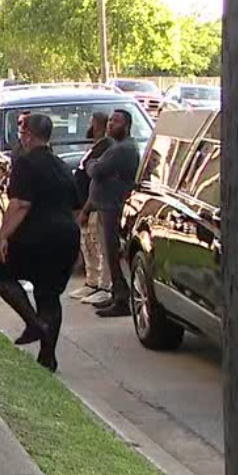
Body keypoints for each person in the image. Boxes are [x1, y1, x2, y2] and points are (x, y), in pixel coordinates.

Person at [0, 112, 83, 371]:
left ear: (28, 135)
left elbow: (20, 204)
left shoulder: (25, 163)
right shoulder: (61, 165)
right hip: (66, 236)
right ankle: (48, 357)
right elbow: (76, 209)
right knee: (49, 295)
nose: (21, 137)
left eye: (21, 132)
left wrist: (3, 237)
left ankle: (34, 323)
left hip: (37, 235)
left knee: (0, 272)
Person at [87, 108, 142, 318]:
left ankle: (122, 299)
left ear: (127, 125)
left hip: (113, 207)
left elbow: (96, 170)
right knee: (109, 254)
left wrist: (92, 164)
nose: (111, 124)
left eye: (116, 121)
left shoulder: (123, 149)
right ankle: (116, 293)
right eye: (110, 121)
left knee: (113, 253)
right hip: (105, 205)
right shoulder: (116, 146)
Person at [69, 112, 114, 304]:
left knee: (97, 245)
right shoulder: (94, 146)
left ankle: (105, 285)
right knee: (86, 244)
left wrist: (87, 207)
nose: (90, 127)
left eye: (93, 123)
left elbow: (98, 179)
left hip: (94, 205)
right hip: (83, 204)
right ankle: (91, 282)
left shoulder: (106, 147)